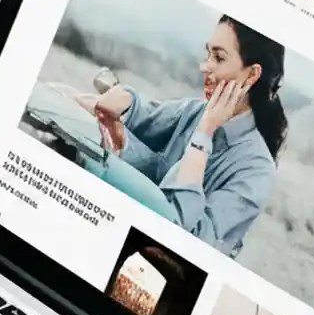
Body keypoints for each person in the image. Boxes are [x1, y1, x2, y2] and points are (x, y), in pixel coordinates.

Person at [81, 15, 288, 257]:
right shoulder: (195, 111)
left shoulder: (256, 170)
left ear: (252, 75)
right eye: (208, 54)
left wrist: (204, 135)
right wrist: (123, 100)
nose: (205, 67)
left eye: (219, 58)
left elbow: (183, 236)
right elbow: (145, 118)